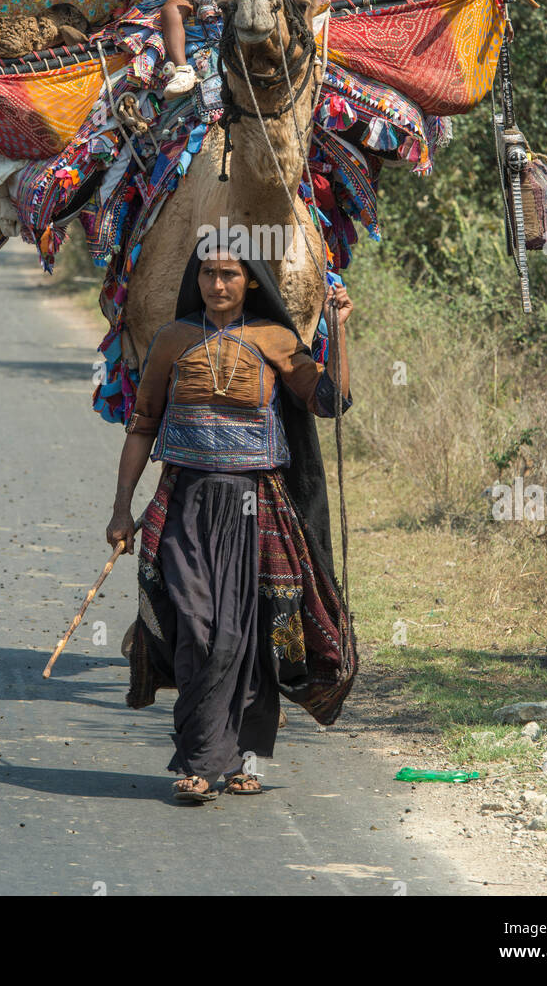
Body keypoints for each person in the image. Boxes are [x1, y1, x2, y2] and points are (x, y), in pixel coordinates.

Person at [107, 243, 357, 803]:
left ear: (250, 282)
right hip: (185, 500)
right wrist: (123, 508)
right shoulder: (172, 340)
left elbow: (329, 399)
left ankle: (238, 755)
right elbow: (142, 426)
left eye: (229, 274)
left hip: (254, 503)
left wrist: (339, 331)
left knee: (247, 632)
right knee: (197, 625)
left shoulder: (275, 339)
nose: (217, 284)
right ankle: (199, 757)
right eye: (208, 273)